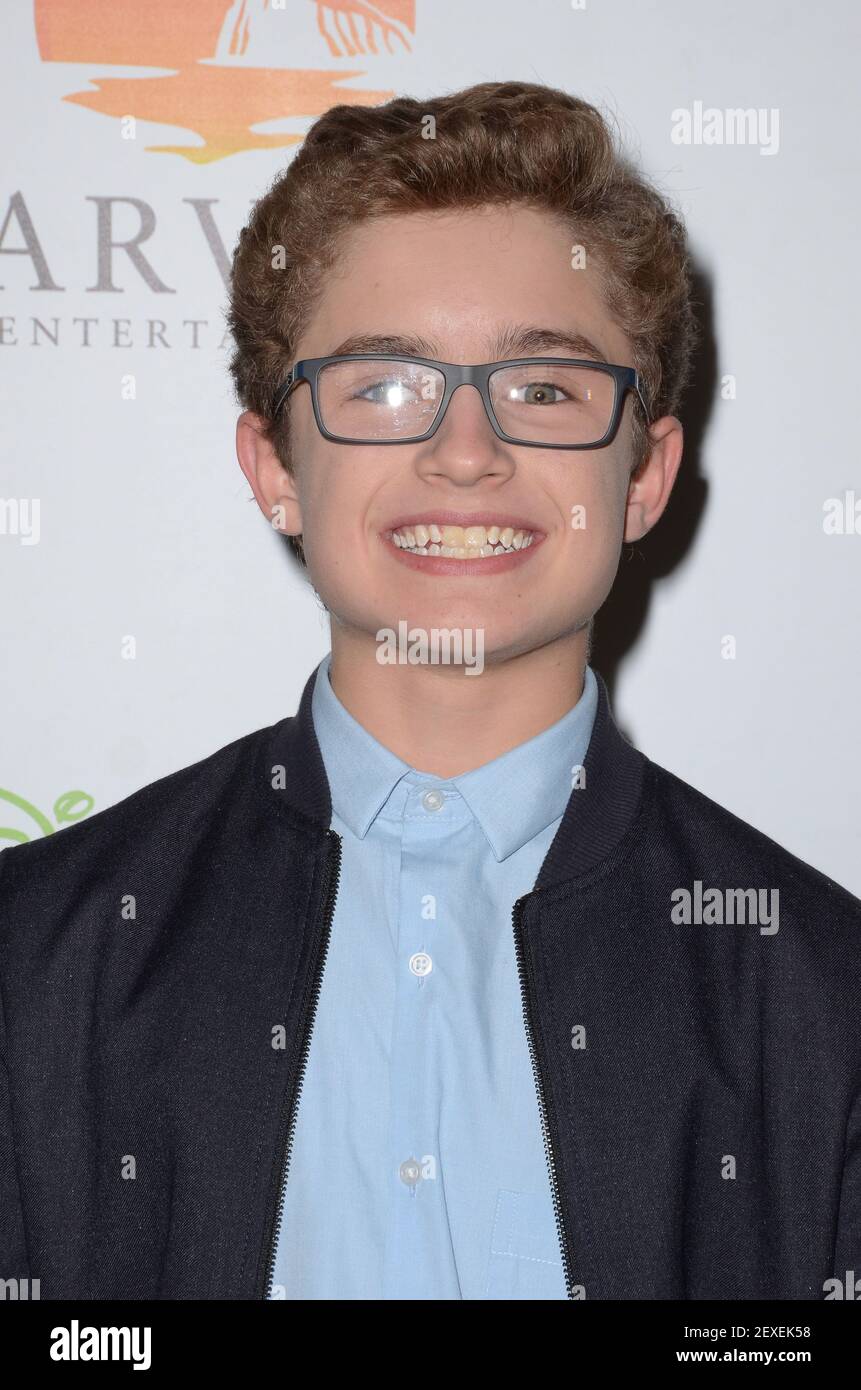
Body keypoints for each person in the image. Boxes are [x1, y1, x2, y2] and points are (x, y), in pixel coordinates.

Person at [1, 81, 859, 1302]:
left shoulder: (824, 993)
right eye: (385, 385)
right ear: (274, 467)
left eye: (546, 390)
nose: (466, 453)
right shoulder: (34, 956)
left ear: (647, 476)